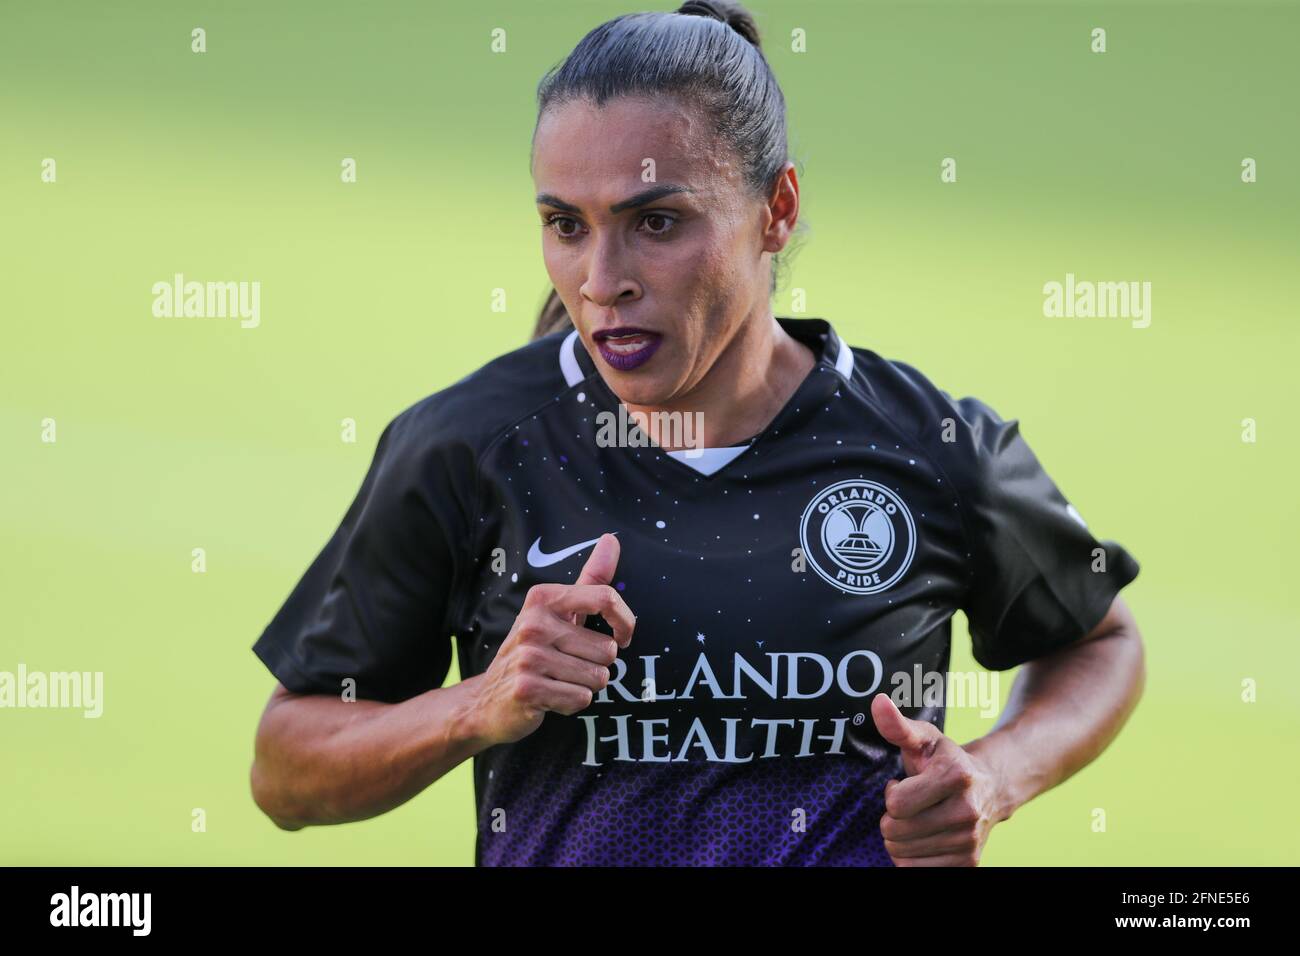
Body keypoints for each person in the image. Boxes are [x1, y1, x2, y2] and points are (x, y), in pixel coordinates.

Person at [249, 0, 1144, 866]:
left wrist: (993, 776)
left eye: (657, 222)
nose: (602, 281)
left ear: (777, 209)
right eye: (566, 224)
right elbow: (286, 768)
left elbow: (1099, 641)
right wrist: (475, 706)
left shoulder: (933, 448)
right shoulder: (469, 446)